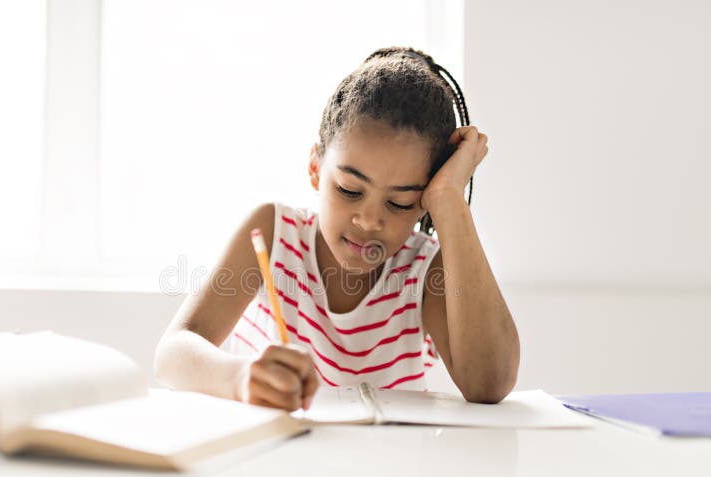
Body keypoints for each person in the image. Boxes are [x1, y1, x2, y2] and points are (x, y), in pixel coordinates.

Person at [154, 46, 519, 411]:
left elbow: (489, 384)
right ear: (315, 168)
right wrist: (239, 378)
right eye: (349, 190)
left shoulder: (425, 269)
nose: (369, 220)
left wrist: (450, 200)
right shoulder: (273, 232)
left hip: (387, 464)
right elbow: (172, 354)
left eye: (401, 203)